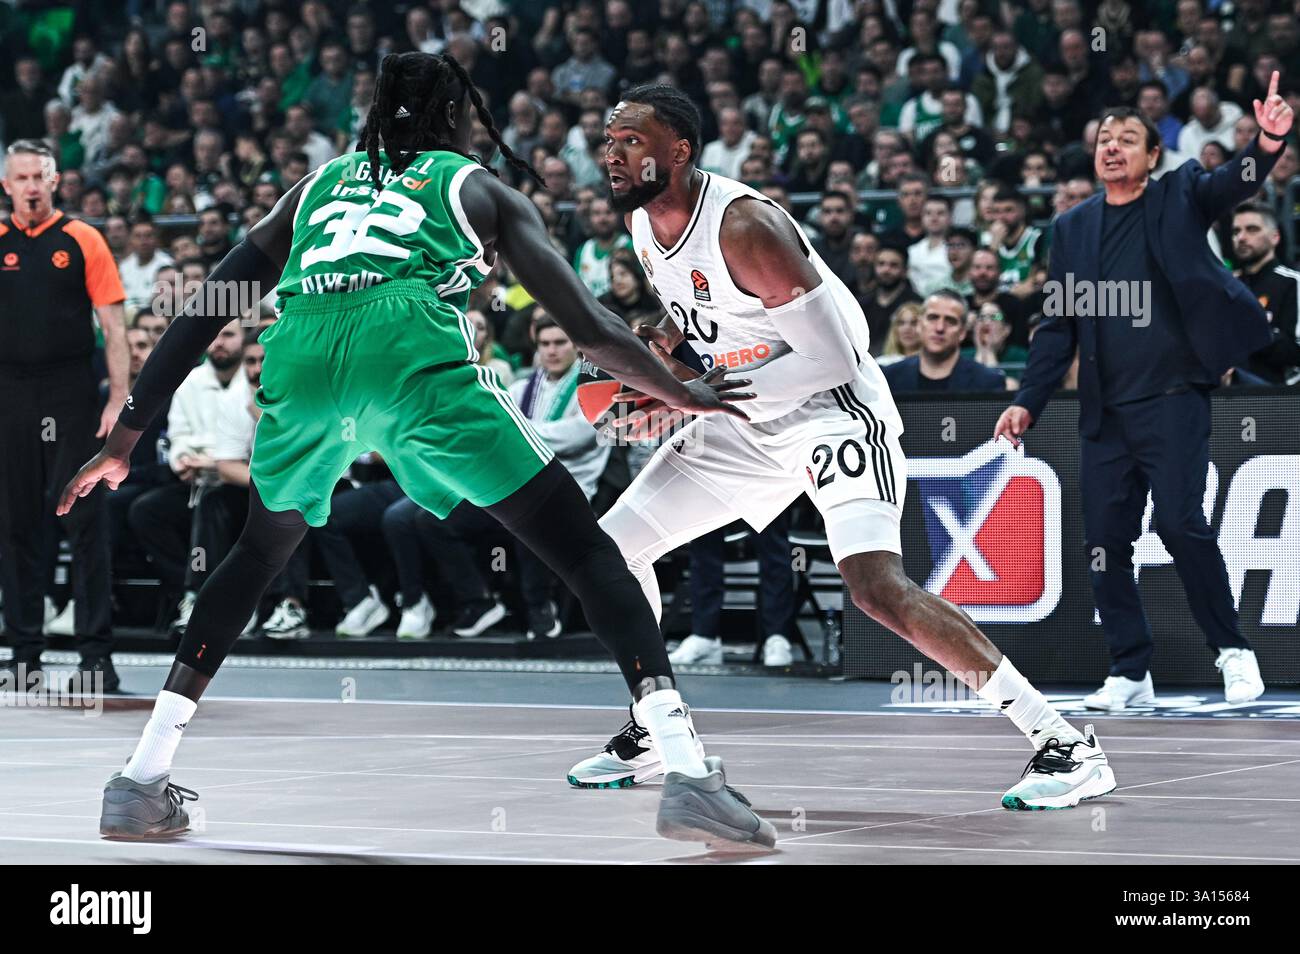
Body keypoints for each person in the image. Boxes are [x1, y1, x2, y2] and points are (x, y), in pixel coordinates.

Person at [62, 53, 771, 850]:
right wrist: (687, 394)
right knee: (585, 550)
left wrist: (124, 438)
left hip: (300, 347)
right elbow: (590, 329)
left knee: (259, 553)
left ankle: (141, 780)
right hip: (406, 346)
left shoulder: (316, 186)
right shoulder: (474, 185)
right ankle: (687, 773)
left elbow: (203, 308)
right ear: (459, 118)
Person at [568, 85, 1114, 811]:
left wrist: (685, 396)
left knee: (874, 586)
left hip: (834, 411)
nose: (612, 151)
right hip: (744, 411)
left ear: (679, 152)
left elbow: (834, 359)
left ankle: (1064, 744)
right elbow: (700, 321)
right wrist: (663, 355)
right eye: (609, 139)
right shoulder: (644, 229)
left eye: (630, 139)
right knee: (609, 550)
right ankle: (653, 729)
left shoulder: (747, 226)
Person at [995, 82, 1294, 710]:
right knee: (1105, 540)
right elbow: (1058, 324)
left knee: (1181, 523)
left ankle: (1233, 652)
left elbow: (1232, 182)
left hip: (1174, 395)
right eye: (1105, 139)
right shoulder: (1072, 229)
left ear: (1153, 155)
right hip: (1105, 411)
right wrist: (1030, 399)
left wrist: (1266, 142)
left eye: (1128, 139)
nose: (1113, 148)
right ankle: (1131, 671)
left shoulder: (1180, 193)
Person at [0, 140, 127, 691]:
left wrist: (117, 397)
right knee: (15, 526)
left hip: (71, 392)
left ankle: (96, 658)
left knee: (85, 522)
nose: (30, 186)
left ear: (56, 182)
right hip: (8, 393)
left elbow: (114, 327)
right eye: (20, 177)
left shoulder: (82, 239)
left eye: (38, 177)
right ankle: (23, 655)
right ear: (6, 185)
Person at [881, 292, 1008, 393]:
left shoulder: (988, 381)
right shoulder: (889, 378)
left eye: (950, 321)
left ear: (962, 332)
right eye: (933, 318)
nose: (940, 328)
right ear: (919, 325)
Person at [1231, 203, 1300, 385]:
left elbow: (1295, 351)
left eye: (1252, 229)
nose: (1241, 237)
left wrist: (1248, 327)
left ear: (1275, 237)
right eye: (1236, 231)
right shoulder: (1227, 286)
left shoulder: (1293, 282)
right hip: (1229, 397)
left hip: (1278, 397)